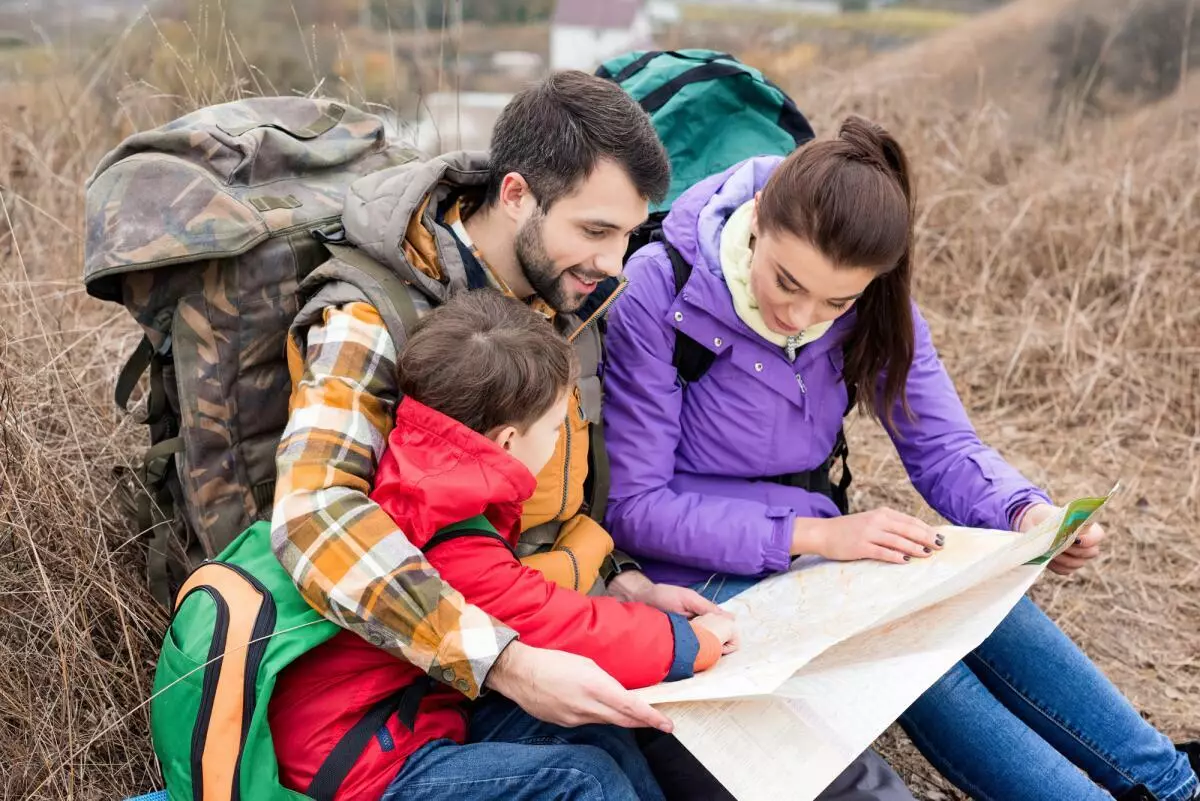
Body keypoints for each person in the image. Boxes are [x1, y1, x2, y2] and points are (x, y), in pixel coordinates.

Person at [271, 69, 914, 800]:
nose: (615, 264)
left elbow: (560, 515)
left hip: (567, 630)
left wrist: (625, 583)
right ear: (516, 195)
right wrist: (506, 662)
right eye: (595, 230)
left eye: (627, 234)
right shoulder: (367, 318)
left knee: (801, 764)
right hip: (424, 686)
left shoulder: (571, 292)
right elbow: (314, 518)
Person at [599, 115, 1200, 801]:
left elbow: (942, 445)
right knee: (907, 649)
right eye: (786, 282)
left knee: (980, 594)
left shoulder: (878, 302)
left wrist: (1027, 512)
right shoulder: (660, 288)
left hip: (817, 552)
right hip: (697, 572)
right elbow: (635, 506)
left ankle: (1172, 785)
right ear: (759, 218)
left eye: (836, 300)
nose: (800, 316)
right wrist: (818, 535)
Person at [270, 290, 737, 801]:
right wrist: (697, 643)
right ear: (509, 440)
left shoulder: (433, 479)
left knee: (597, 735)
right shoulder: (439, 521)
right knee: (581, 779)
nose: (559, 442)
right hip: (363, 764)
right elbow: (561, 626)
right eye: (556, 427)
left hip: (407, 721)